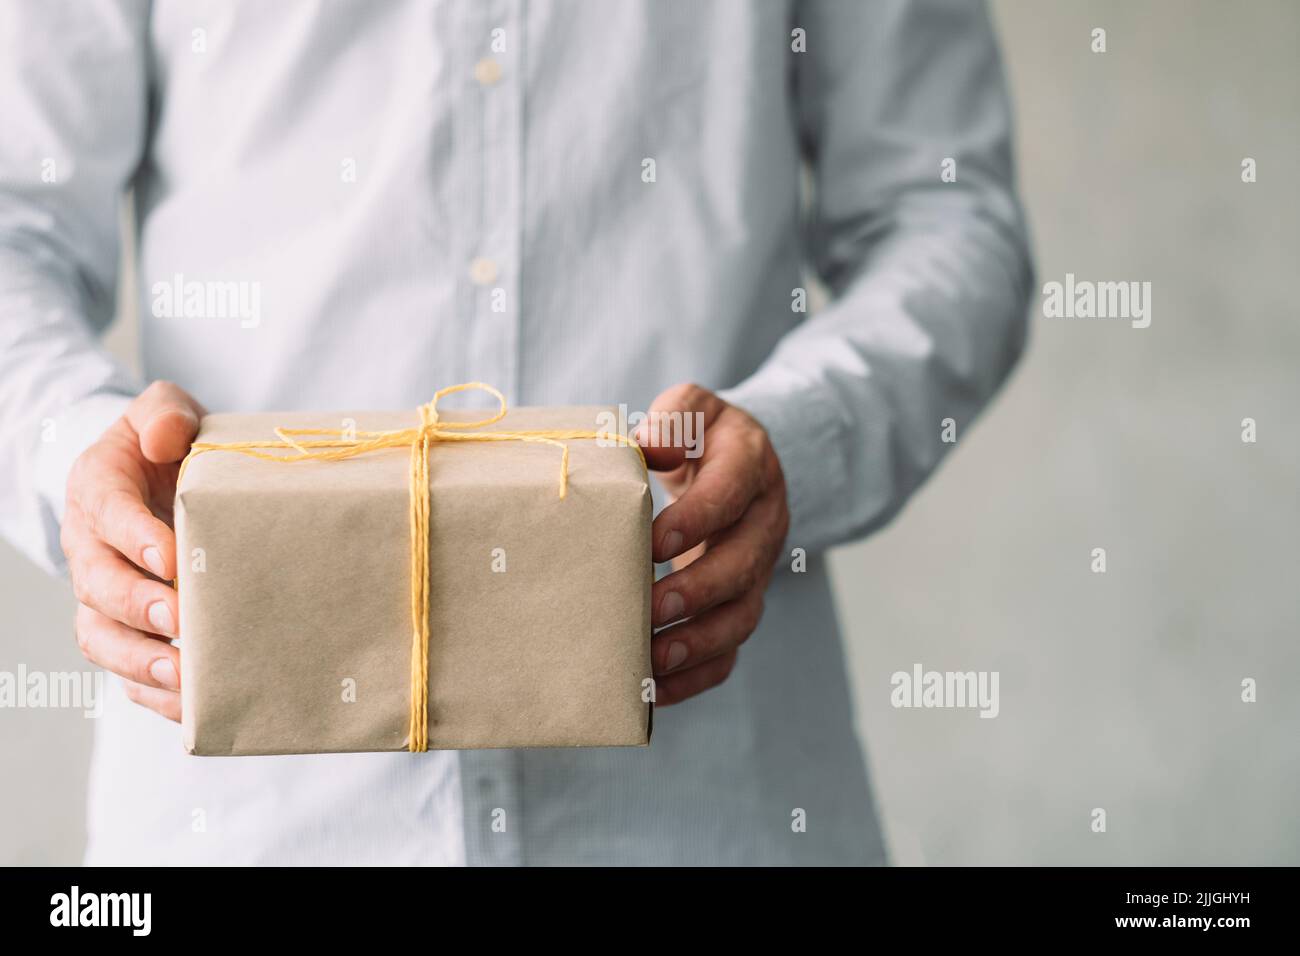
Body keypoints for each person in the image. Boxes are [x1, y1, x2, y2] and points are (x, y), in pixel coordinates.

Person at [0, 0, 1032, 865]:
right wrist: (71, 452)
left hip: (714, 802)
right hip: (249, 821)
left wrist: (800, 440)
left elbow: (943, 215)